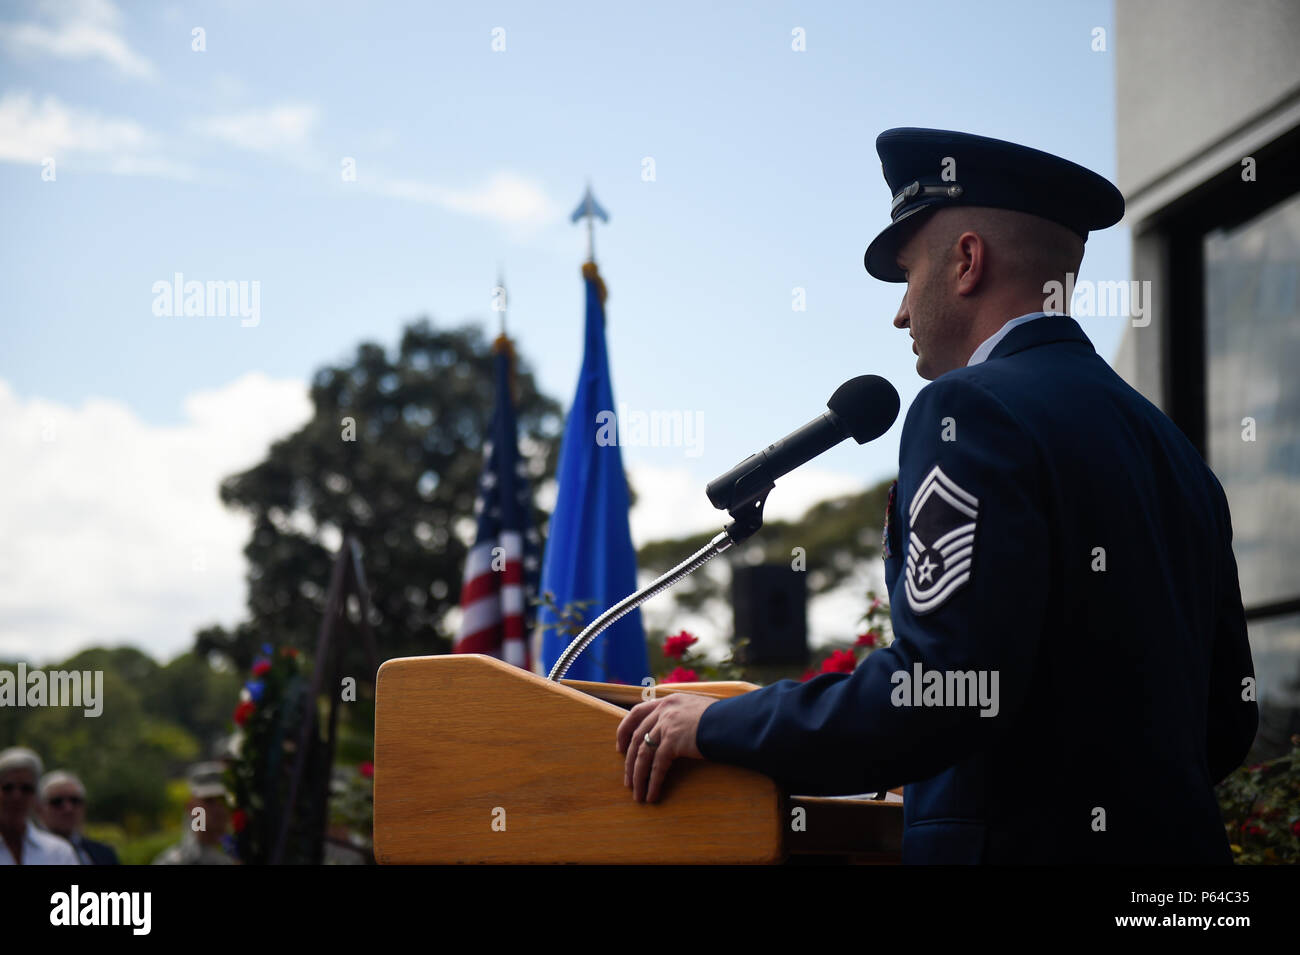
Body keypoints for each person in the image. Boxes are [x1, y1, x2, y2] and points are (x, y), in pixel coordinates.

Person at [616, 127, 1260, 864]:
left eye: (907, 275)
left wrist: (709, 725)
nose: (898, 313)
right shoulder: (1177, 454)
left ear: (966, 260)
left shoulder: (971, 410)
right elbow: (1227, 724)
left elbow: (945, 688)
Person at [0, 747, 80, 865]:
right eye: (8, 788)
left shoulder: (58, 852)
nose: (17, 796)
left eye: (26, 789)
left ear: (36, 797)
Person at [152, 762, 236, 865]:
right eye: (208, 800)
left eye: (222, 800)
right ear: (191, 806)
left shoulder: (244, 852)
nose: (218, 808)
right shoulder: (174, 861)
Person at [39, 770, 119, 865]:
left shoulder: (104, 854)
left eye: (75, 800)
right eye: (57, 802)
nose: (68, 808)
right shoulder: (25, 852)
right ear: (40, 809)